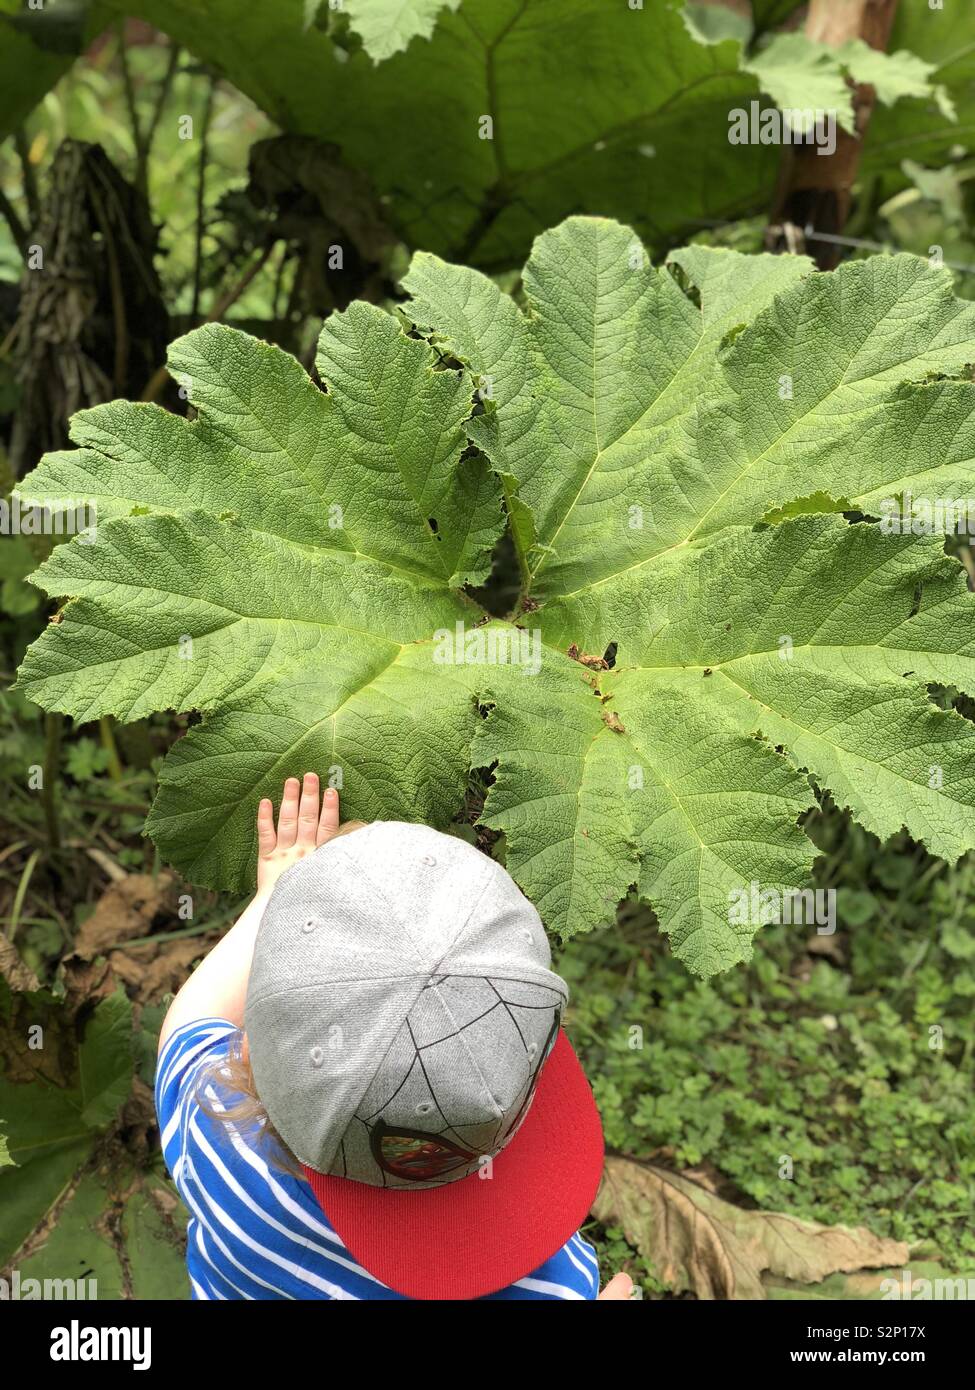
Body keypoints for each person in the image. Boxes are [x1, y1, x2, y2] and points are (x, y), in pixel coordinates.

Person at [156, 772, 634, 1301]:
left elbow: (191, 1018)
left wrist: (272, 898)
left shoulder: (214, 1141)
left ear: (248, 1052)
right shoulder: (541, 1283)